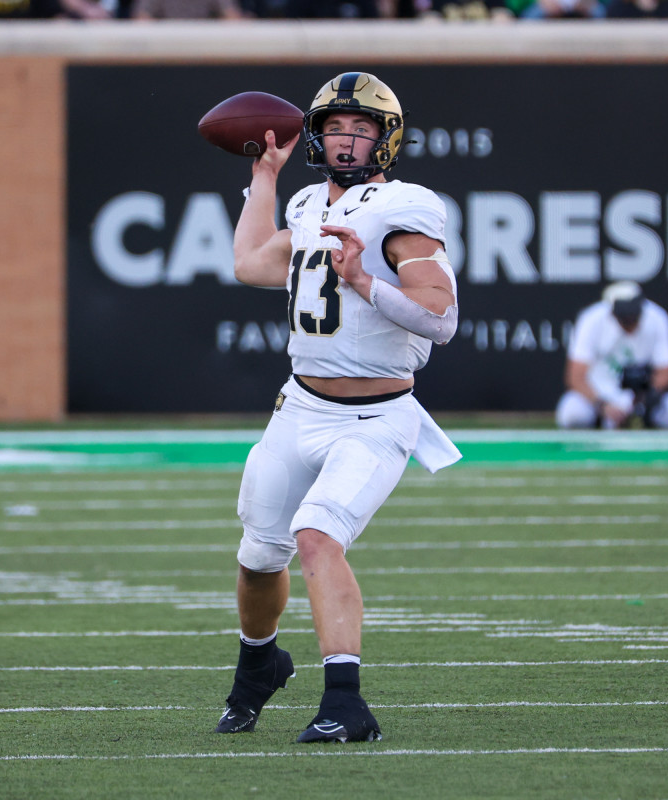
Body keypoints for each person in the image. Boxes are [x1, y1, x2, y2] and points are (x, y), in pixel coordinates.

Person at [214, 71, 461, 744]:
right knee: (259, 554)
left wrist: (363, 281)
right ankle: (259, 665)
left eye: (362, 129)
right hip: (299, 408)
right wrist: (264, 175)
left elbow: (441, 320)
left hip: (377, 416)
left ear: (387, 140)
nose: (347, 140)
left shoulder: (404, 205)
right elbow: (251, 266)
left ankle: (346, 702)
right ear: (316, 134)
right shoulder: (302, 205)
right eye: (335, 127)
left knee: (317, 535)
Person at [555, 281, 668, 430]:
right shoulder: (591, 320)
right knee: (572, 415)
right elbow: (575, 377)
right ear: (612, 312)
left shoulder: (657, 317)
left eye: (634, 317)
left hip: (642, 396)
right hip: (599, 395)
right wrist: (603, 406)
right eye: (625, 319)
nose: (631, 324)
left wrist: (644, 399)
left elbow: (666, 372)